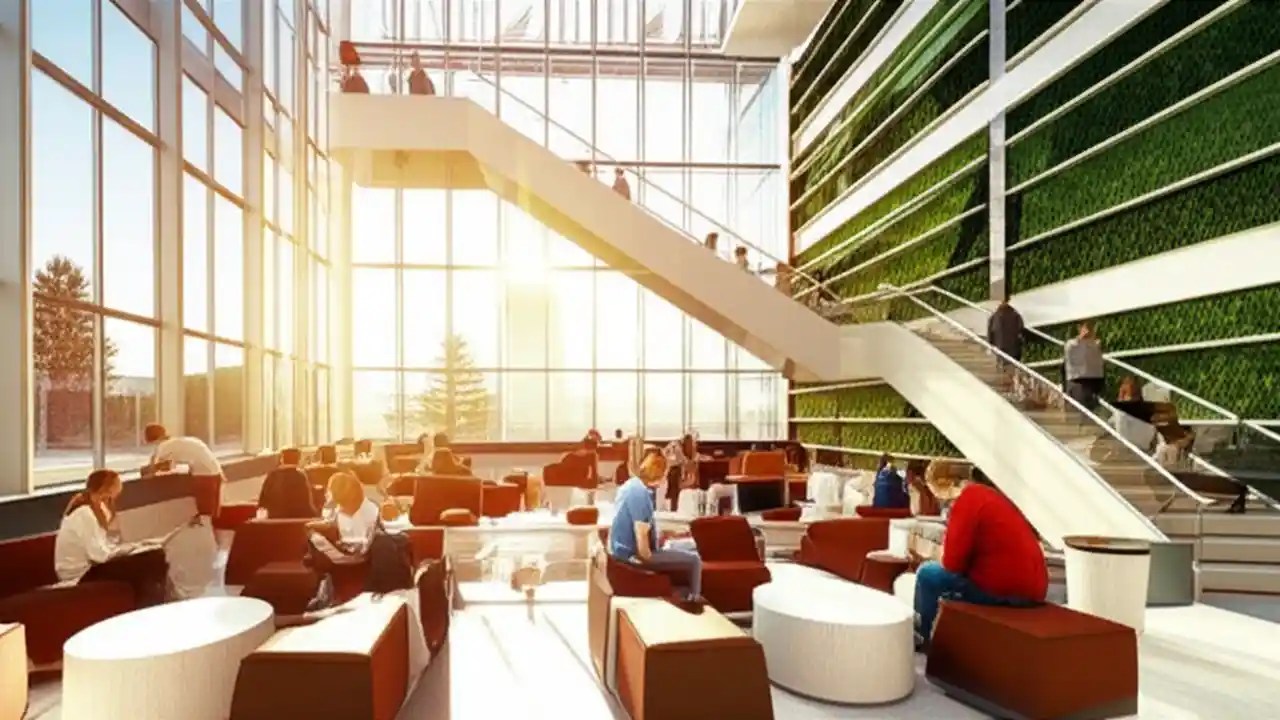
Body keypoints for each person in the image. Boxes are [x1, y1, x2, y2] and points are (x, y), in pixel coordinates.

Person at [914, 468, 1047, 649]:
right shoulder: (991, 497)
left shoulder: (967, 501)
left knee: (927, 574)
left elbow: (952, 563)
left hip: (1002, 588)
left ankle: (924, 639)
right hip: (1035, 588)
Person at [55, 470, 192, 606]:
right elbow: (100, 555)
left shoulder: (97, 508)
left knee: (152, 557)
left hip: (93, 566)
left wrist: (136, 546)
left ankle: (158, 604)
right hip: (81, 574)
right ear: (106, 489)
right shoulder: (84, 514)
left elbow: (105, 546)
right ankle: (158, 605)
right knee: (151, 560)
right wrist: (128, 551)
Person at [609, 452, 701, 600]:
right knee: (695, 559)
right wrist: (659, 555)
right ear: (660, 474)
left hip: (621, 553)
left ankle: (684, 595)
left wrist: (664, 539)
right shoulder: (641, 495)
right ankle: (694, 601)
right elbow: (643, 550)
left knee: (685, 547)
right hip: (632, 559)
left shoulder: (631, 486)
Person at [144, 423, 225, 516]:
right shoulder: (183, 441)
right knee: (214, 513)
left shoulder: (164, 446)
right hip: (216, 473)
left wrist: (148, 472)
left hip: (204, 476)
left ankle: (205, 529)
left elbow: (153, 468)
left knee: (205, 513)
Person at [1064, 321, 1105, 412]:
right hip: (1078, 382)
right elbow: (1071, 350)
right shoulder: (1071, 344)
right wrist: (1081, 338)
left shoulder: (1095, 345)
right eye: (1087, 327)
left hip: (1094, 381)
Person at [987, 296, 1025, 376]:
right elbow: (1021, 330)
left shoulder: (994, 317)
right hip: (1013, 349)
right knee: (1012, 370)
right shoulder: (1015, 315)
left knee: (1004, 370)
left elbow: (991, 334)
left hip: (1001, 349)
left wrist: (991, 346)